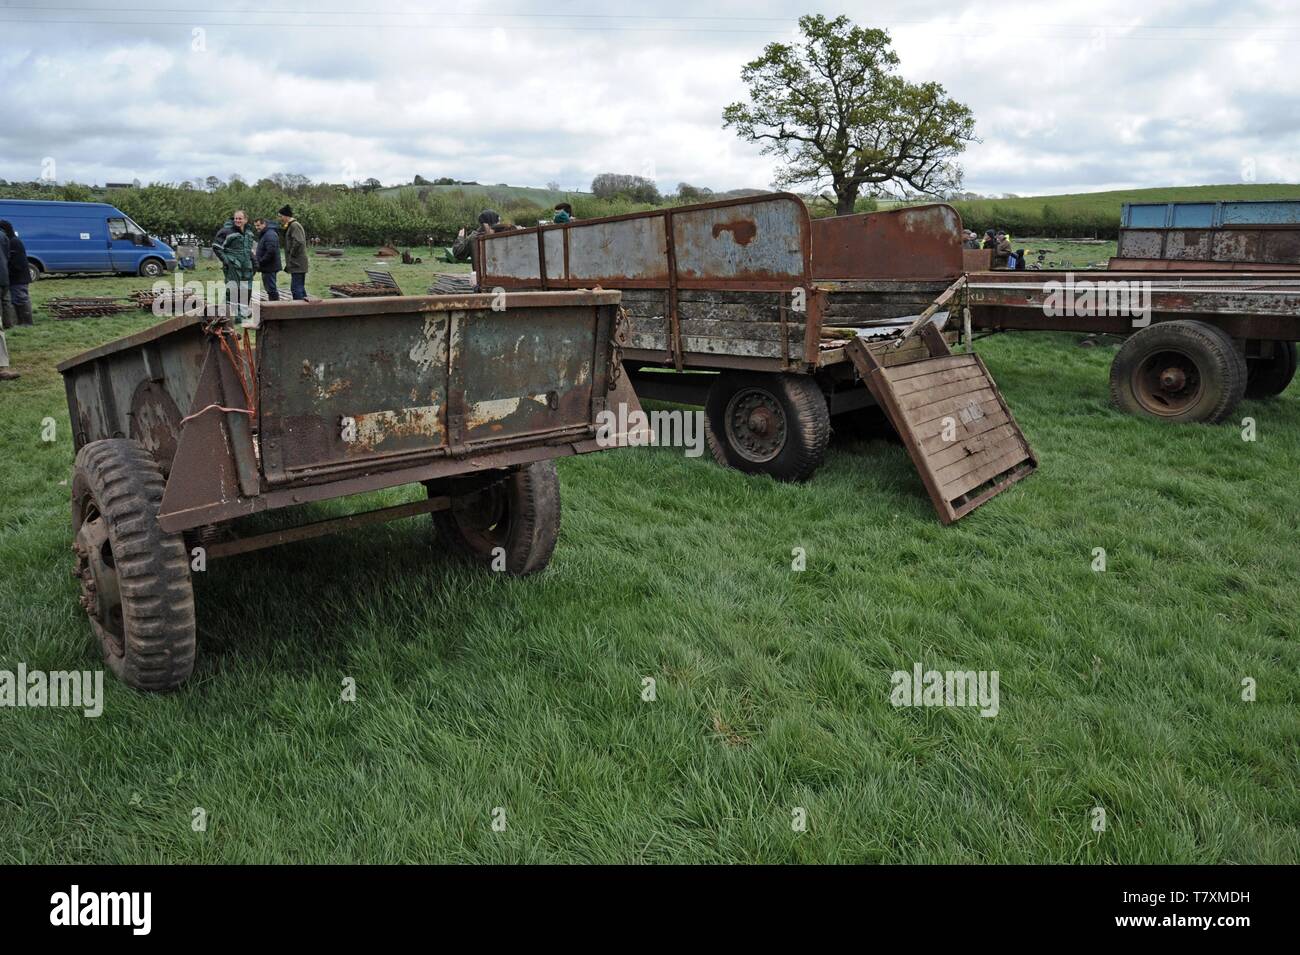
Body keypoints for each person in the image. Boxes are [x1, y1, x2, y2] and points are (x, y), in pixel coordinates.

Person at [1, 221, 33, 326]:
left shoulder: (14, 242)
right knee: (16, 300)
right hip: (15, 276)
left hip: (18, 277)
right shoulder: (11, 241)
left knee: (21, 299)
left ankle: (27, 322)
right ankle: (20, 321)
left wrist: (9, 271)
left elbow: (17, 263)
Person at [278, 205, 309, 300]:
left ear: (286, 216)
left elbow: (299, 241)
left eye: (280, 216)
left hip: (298, 263)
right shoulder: (291, 225)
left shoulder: (294, 225)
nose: (279, 218)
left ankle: (299, 310)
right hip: (296, 263)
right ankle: (306, 310)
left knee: (296, 289)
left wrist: (291, 254)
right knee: (299, 288)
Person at [253, 217, 282, 301]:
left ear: (264, 224)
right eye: (255, 226)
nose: (257, 227)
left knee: (271, 289)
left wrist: (261, 261)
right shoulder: (266, 233)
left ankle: (275, 307)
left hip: (270, 267)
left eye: (258, 225)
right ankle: (273, 305)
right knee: (269, 288)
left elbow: (271, 252)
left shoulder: (270, 234)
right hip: (267, 267)